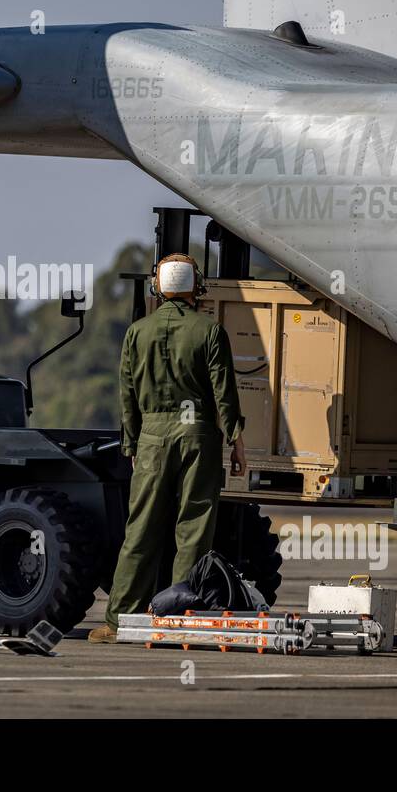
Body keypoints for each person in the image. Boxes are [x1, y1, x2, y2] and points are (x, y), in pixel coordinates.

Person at [88, 253, 246, 644]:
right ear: (197, 287)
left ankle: (120, 620)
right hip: (198, 438)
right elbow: (224, 393)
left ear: (157, 288)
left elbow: (126, 395)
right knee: (192, 530)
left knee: (140, 529)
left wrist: (131, 442)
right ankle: (179, 620)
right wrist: (236, 439)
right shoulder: (210, 331)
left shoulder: (136, 333)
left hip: (152, 440)